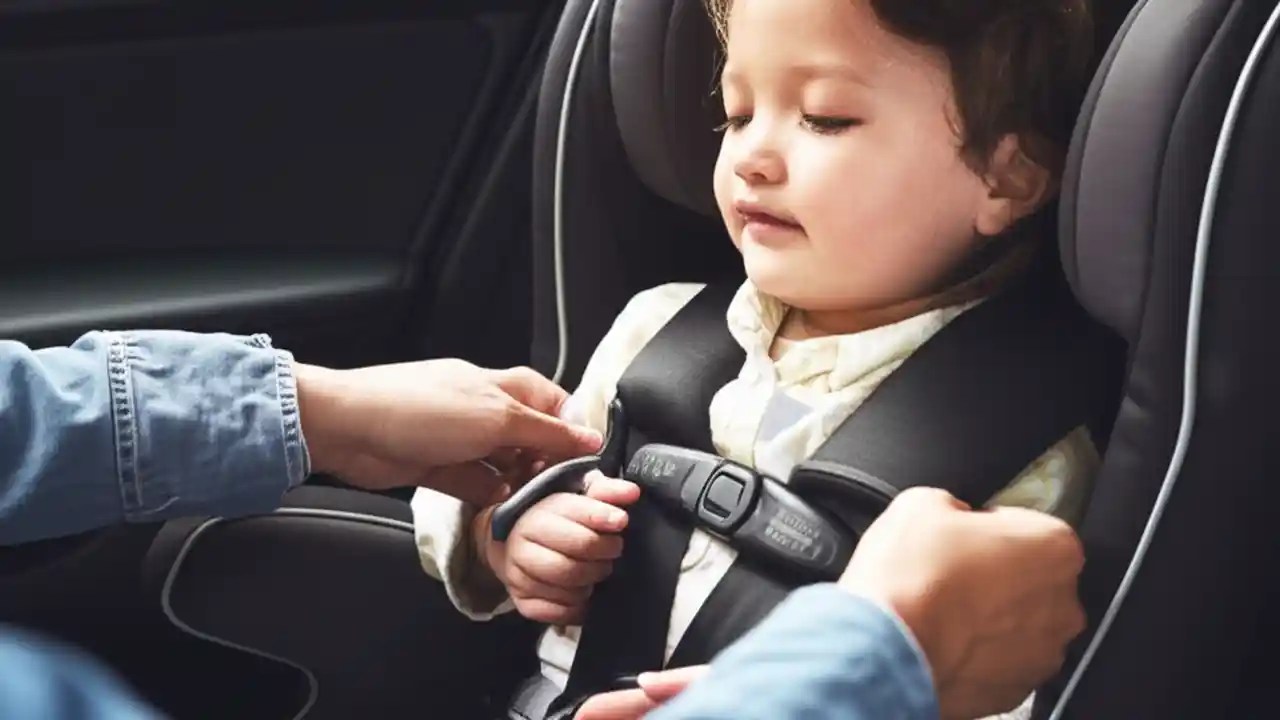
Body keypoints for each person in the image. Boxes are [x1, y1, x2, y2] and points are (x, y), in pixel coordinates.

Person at [411, 0, 1097, 717]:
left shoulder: (1017, 447)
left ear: (1005, 177)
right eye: (737, 115)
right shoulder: (658, 326)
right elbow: (500, 479)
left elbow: (1003, 673)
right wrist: (508, 537)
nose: (752, 156)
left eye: (826, 118)